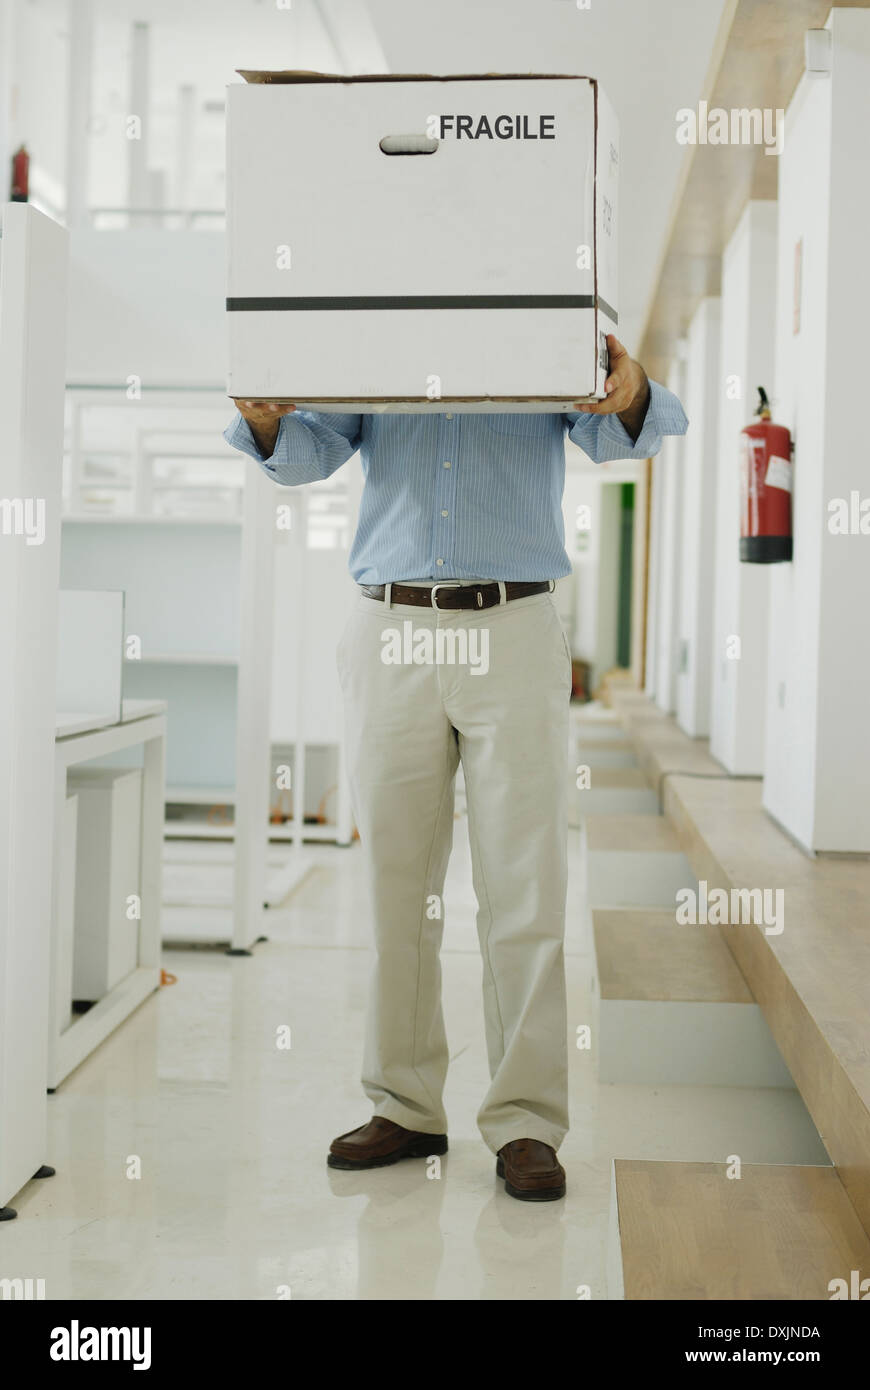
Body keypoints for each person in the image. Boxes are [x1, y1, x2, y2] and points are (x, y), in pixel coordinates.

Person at [224, 334, 688, 1202]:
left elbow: (627, 433)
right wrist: (264, 421)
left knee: (524, 884)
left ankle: (524, 1121)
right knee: (397, 882)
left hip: (513, 624)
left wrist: (628, 391)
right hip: (388, 623)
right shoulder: (384, 320)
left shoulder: (548, 312)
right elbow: (306, 455)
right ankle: (404, 1103)